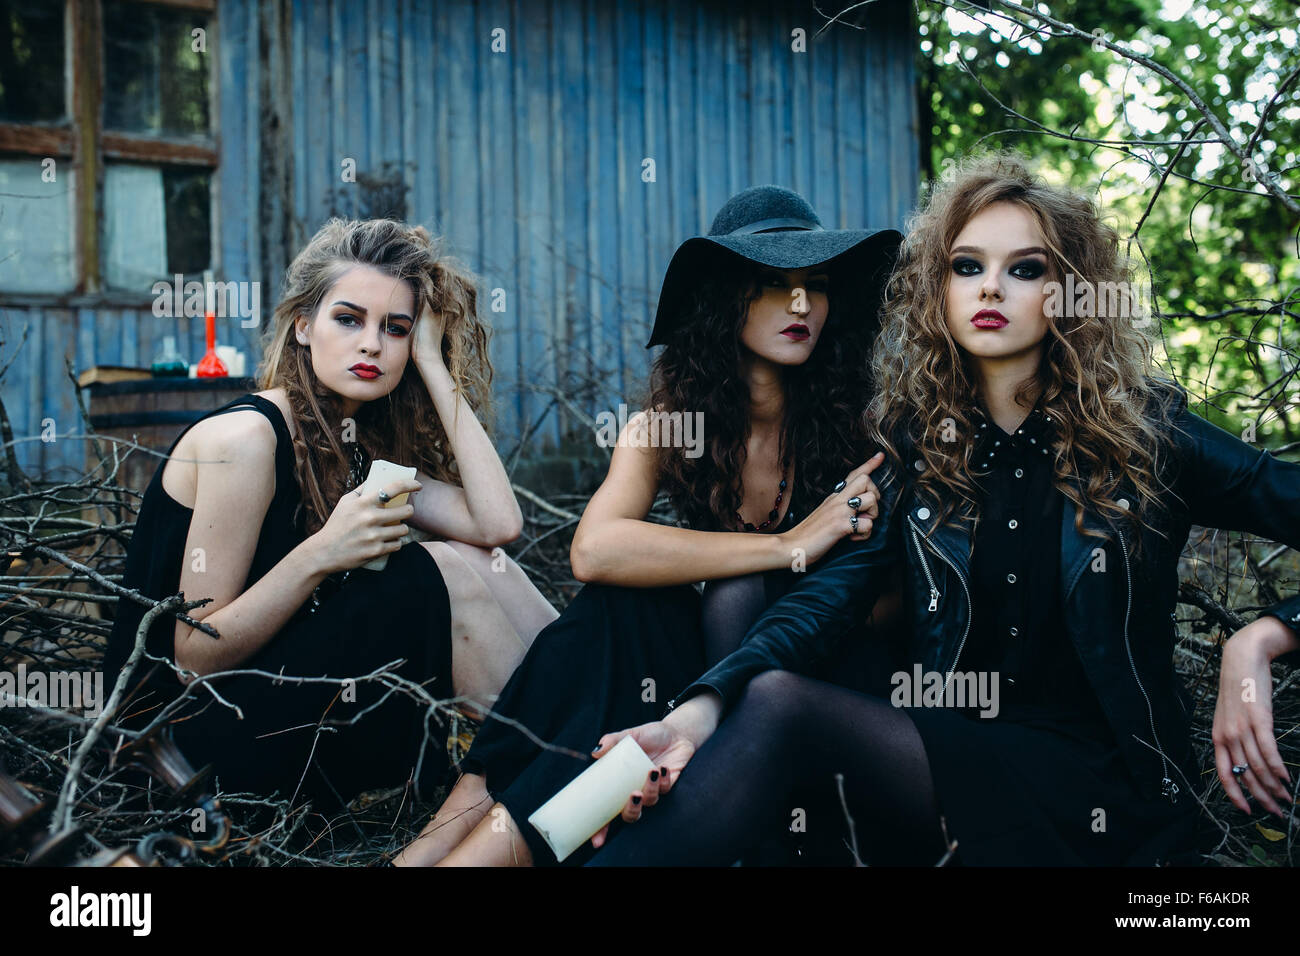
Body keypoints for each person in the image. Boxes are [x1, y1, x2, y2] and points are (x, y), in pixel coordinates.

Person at [584, 152, 1300, 866]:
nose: (991, 287)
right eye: (966, 266)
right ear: (938, 288)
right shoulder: (920, 443)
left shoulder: (1148, 434)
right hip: (950, 750)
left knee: (781, 708)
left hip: (1101, 784)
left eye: (1026, 269)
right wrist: (695, 713)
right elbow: (822, 604)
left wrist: (1262, 637)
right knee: (763, 665)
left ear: (1070, 292)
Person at [395, 185, 903, 866]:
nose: (803, 305)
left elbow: (886, 606)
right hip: (711, 678)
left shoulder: (863, 428)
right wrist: (786, 544)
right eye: (774, 285)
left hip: (816, 681)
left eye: (816, 285)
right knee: (619, 611)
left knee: (716, 601)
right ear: (725, 298)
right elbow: (595, 550)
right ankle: (434, 856)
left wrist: (816, 550)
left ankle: (456, 859)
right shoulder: (669, 426)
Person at [103, 218, 559, 813]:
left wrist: (432, 360)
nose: (372, 343)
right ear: (303, 326)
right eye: (349, 319)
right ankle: (553, 757)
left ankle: (571, 724)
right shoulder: (246, 439)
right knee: (437, 569)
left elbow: (497, 527)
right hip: (181, 754)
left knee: (472, 558)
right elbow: (193, 658)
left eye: (395, 329)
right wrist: (323, 552)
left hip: (284, 712)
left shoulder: (356, 449)